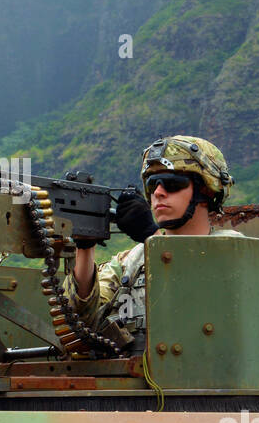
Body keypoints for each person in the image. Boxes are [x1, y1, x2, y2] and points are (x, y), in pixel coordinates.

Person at [65, 135, 240, 349]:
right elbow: (81, 319)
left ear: (206, 189)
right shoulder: (131, 261)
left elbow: (201, 290)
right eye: (152, 184)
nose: (158, 192)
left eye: (172, 183)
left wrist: (151, 235)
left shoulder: (233, 251)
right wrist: (85, 246)